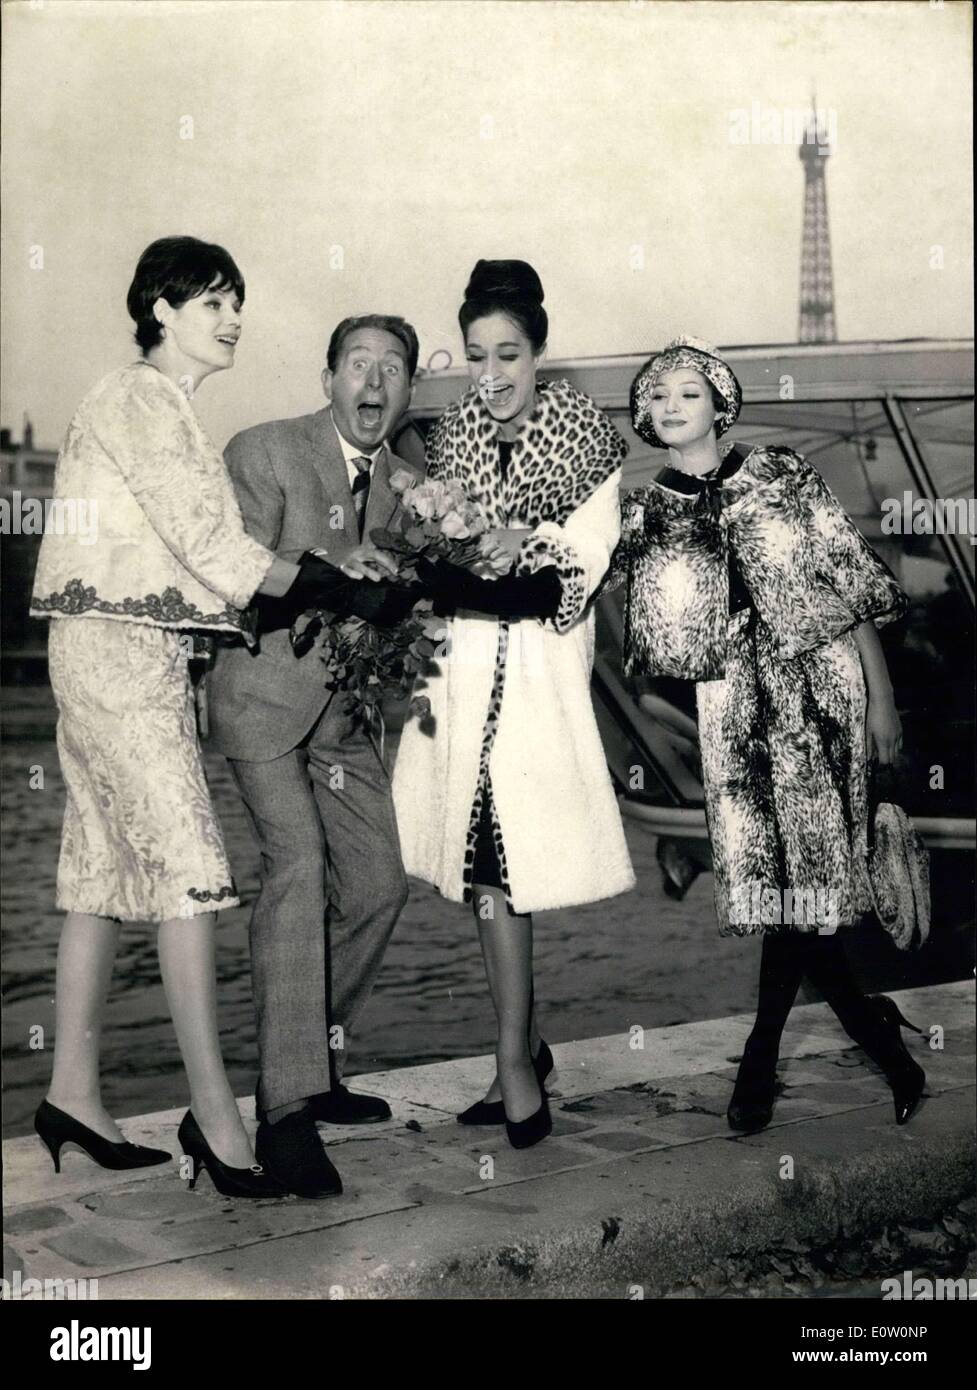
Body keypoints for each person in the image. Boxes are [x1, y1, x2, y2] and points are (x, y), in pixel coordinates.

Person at [29, 236, 363, 1197]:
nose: (231, 317)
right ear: (159, 310)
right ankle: (217, 1121)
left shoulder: (148, 404)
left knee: (100, 867)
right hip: (121, 659)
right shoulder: (142, 401)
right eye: (210, 300)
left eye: (236, 301)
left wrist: (312, 584)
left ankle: (73, 1093)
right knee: (189, 873)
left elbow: (203, 552)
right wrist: (333, 586)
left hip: (108, 649)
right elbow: (213, 541)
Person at [613, 334, 926, 1133]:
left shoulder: (783, 474)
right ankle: (871, 1031)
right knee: (779, 892)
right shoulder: (650, 512)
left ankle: (764, 1059)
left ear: (720, 403)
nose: (670, 405)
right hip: (731, 710)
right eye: (656, 396)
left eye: (687, 391)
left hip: (820, 694)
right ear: (645, 418)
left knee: (810, 894)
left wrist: (880, 702)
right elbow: (640, 628)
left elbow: (847, 583)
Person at [392, 260, 636, 1150]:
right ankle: (523, 1047)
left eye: (508, 354)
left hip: (533, 685)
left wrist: (496, 554)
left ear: (539, 352)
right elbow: (432, 563)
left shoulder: (585, 443)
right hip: (458, 687)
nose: (489, 374)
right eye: (474, 356)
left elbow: (564, 581)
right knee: (480, 869)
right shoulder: (448, 440)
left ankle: (512, 1063)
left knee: (502, 867)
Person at [206, 315, 423, 1197]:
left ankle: (306, 1057)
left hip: (344, 719)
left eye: (393, 369)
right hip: (260, 701)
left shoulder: (414, 483)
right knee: (295, 864)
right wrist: (339, 568)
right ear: (328, 376)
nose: (374, 383)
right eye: (358, 365)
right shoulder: (262, 450)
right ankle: (286, 1111)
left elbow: (406, 596)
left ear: (407, 389)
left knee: (379, 884)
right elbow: (235, 575)